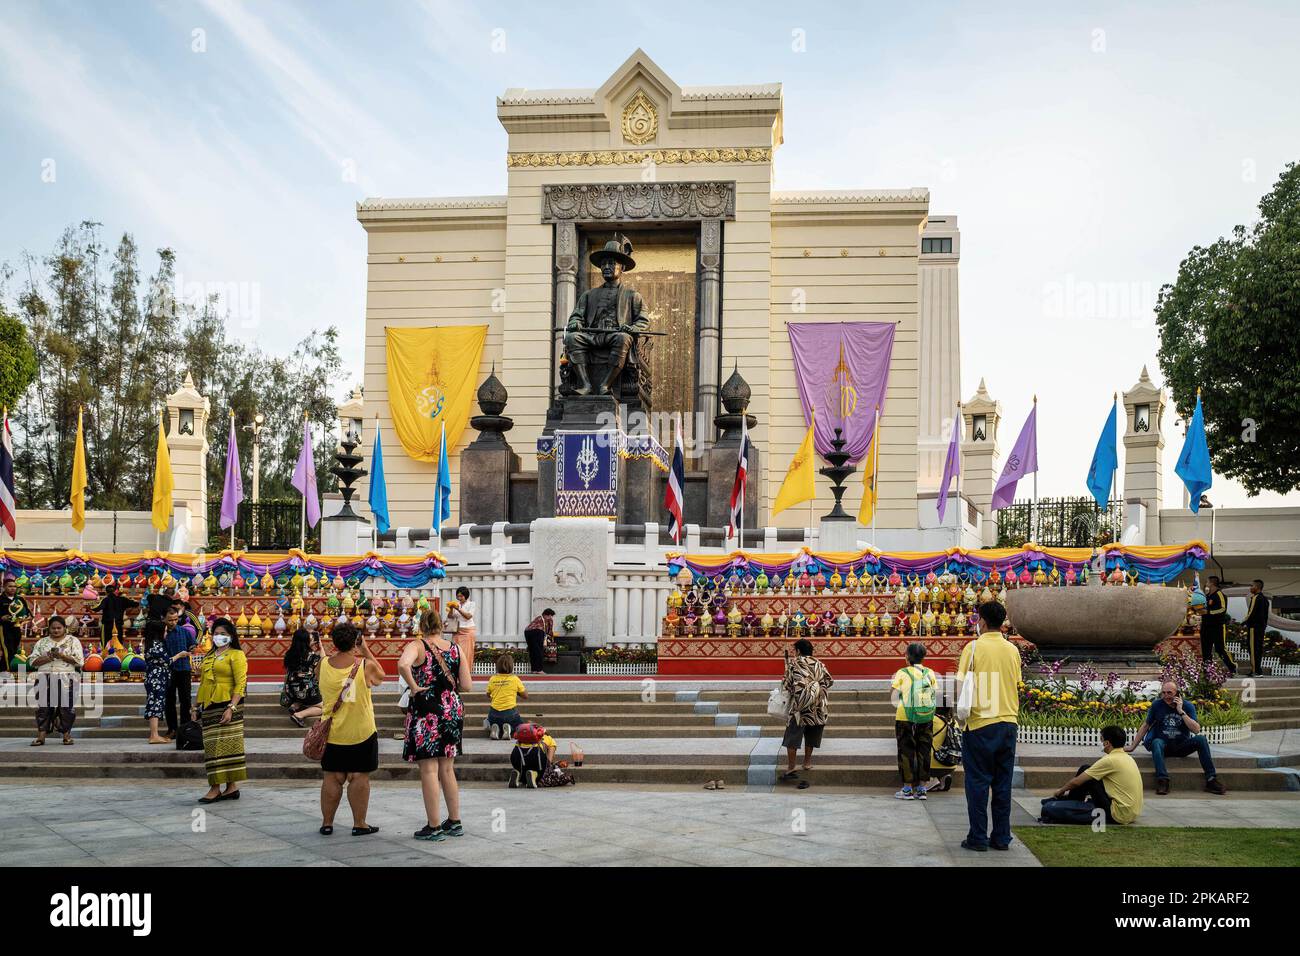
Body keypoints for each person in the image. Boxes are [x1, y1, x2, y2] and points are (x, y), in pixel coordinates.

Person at [399, 608, 471, 841]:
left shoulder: (417, 646)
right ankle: (455, 820)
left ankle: (434, 825)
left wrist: (414, 686)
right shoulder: (455, 648)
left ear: (421, 625)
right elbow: (467, 685)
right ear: (441, 625)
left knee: (429, 769)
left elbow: (402, 665)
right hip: (452, 709)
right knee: (447, 768)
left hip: (427, 709)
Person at [957, 600, 1022, 852]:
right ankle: (1001, 837)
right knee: (1002, 784)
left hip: (980, 722)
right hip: (1008, 722)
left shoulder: (972, 648)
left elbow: (961, 686)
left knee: (978, 783)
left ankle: (978, 837)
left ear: (982, 621)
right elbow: (1015, 682)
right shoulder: (1012, 650)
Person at [317, 622, 385, 836]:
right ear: (355, 642)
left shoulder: (322, 664)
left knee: (332, 777)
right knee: (359, 777)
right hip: (361, 731)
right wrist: (365, 650)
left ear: (334, 642)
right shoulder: (365, 665)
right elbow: (381, 677)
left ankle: (327, 823)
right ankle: (359, 823)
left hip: (332, 732)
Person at [1125, 680, 1227, 795]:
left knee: (1201, 739)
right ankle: (1163, 780)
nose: (1166, 696)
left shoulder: (1187, 706)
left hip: (1181, 746)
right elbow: (1146, 725)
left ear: (1177, 693)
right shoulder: (1157, 705)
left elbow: (1196, 729)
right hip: (1163, 746)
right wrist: (1133, 746)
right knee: (1156, 742)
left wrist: (1181, 711)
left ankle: (1211, 780)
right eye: (1163, 693)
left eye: (1169, 693)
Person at [1039, 725, 1144, 825]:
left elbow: (1076, 782)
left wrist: (1060, 791)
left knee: (1048, 809)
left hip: (1117, 814)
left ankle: (1068, 802)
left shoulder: (1110, 760)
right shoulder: (1127, 758)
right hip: (1130, 813)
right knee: (1086, 769)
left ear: (1107, 743)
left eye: (1101, 739)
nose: (1100, 742)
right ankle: (1071, 801)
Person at [193, 617, 247, 804]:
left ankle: (221, 787)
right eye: (216, 634)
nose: (219, 637)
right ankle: (227, 787)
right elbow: (203, 682)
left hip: (228, 704)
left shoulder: (236, 655)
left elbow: (241, 683)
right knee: (213, 747)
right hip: (209, 703)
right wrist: (195, 705)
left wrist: (231, 707)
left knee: (228, 747)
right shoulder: (210, 655)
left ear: (231, 636)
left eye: (223, 634)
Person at [779, 638, 834, 790]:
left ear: (798, 651)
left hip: (799, 707)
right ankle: (807, 762)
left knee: (793, 736)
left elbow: (787, 684)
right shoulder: (820, 664)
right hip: (818, 706)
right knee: (812, 734)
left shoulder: (794, 664)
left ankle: (791, 766)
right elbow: (829, 681)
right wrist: (815, 688)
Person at [891, 642, 938, 800]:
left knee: (906, 751)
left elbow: (893, 693)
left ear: (907, 657)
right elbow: (934, 692)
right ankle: (922, 788)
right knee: (924, 750)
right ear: (923, 657)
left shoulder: (902, 672)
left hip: (905, 716)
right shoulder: (930, 673)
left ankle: (907, 789)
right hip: (926, 716)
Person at [29, 615, 83, 746]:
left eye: (59, 628)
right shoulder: (41, 642)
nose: (56, 630)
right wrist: (50, 657)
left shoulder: (73, 641)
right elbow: (32, 662)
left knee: (66, 707)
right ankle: (41, 735)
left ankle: (66, 734)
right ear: (49, 629)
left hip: (66, 676)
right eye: (53, 628)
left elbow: (79, 661)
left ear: (65, 628)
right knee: (43, 707)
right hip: (44, 676)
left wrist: (62, 656)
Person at [162, 603, 197, 740]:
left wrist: (192, 648)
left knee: (186, 700)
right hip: (167, 670)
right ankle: (172, 729)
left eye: (176, 619)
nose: (173, 622)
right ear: (163, 619)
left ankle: (184, 728)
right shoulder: (161, 634)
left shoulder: (184, 632)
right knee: (169, 701)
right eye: (170, 620)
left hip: (184, 669)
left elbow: (192, 644)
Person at [282, 628, 324, 727]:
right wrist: (320, 647)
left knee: (301, 687)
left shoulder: (289, 654)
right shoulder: (311, 656)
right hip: (306, 690)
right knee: (325, 708)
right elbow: (324, 661)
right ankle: (299, 715)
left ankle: (295, 705)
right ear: (306, 642)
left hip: (291, 690)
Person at [1197, 575, 1236, 675]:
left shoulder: (1220, 594)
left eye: (1207, 581)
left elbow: (1223, 609)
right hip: (1206, 626)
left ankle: (1232, 667)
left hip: (1217, 626)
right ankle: (1207, 671)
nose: (1206, 583)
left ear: (1211, 583)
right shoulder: (1208, 595)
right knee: (1206, 650)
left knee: (1220, 649)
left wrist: (1208, 612)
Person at [485, 654, 527, 739]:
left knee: (488, 720)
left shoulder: (492, 679)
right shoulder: (515, 679)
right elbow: (525, 696)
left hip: (494, 713)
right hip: (510, 713)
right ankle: (509, 729)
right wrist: (516, 692)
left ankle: (495, 728)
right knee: (519, 725)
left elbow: (488, 695)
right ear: (512, 666)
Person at [143, 620, 171, 744]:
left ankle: (155, 734)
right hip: (157, 678)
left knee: (155, 703)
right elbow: (166, 661)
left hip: (154, 677)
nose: (166, 633)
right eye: (164, 631)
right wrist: (180, 655)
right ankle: (154, 735)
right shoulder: (156, 644)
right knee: (155, 704)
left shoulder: (151, 643)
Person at [90, 582, 137, 653]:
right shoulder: (122, 599)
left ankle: (106, 656)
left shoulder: (105, 599)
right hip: (118, 625)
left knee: (105, 642)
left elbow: (97, 608)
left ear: (106, 592)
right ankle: (119, 657)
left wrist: (90, 606)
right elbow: (135, 604)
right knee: (118, 642)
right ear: (115, 591)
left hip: (107, 625)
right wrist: (133, 600)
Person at [924, 707, 959, 794]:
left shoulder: (932, 720)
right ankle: (944, 778)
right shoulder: (954, 722)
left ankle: (932, 780)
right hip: (951, 762)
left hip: (932, 765)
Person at [1, 576, 30, 673]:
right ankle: (8, 670)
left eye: (14, 586)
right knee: (7, 650)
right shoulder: (0, 599)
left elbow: (28, 614)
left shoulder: (20, 599)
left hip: (16, 628)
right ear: (4, 587)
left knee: (14, 649)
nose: (13, 588)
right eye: (10, 586)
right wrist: (1, 618)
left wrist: (23, 618)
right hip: (4, 628)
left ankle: (9, 669)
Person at [445, 586, 477, 672]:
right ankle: (456, 672)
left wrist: (458, 609)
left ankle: (466, 673)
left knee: (466, 654)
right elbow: (450, 617)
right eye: (458, 596)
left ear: (466, 596)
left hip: (468, 631)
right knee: (455, 652)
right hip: (457, 631)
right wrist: (451, 609)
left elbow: (468, 616)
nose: (459, 598)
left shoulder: (471, 604)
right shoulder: (456, 604)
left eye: (461, 596)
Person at [1244, 580, 1271, 677]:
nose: (1250, 588)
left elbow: (1250, 613)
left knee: (1253, 649)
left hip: (1254, 628)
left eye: (1252, 586)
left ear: (1257, 587)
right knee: (1258, 649)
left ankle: (1256, 671)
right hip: (1260, 628)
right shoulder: (1264, 599)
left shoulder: (1256, 598)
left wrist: (1243, 622)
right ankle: (1257, 670)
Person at [524, 608, 555, 675]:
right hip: (537, 632)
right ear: (547, 615)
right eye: (550, 616)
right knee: (539, 651)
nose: (550, 617)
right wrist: (551, 638)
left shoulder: (538, 618)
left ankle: (534, 669)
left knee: (532, 651)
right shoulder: (549, 620)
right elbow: (549, 631)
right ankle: (539, 669)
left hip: (527, 632)